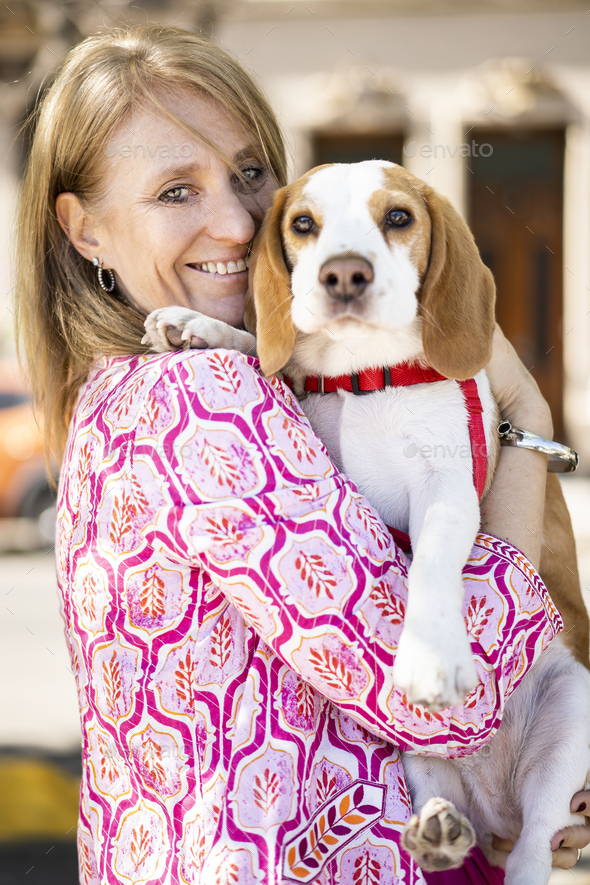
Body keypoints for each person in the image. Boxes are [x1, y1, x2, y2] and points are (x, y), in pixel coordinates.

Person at [14, 24, 590, 885]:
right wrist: (523, 415)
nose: (238, 222)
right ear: (84, 228)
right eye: (176, 190)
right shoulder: (203, 400)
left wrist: (517, 798)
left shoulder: (115, 395)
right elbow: (451, 702)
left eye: (251, 173)